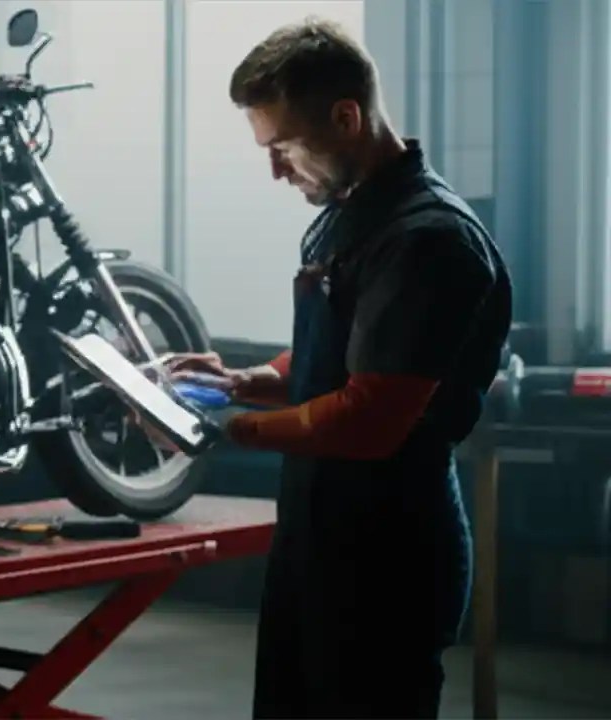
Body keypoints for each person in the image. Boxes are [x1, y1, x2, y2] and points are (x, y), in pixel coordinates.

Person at [162, 18, 513, 719]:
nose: (275, 168)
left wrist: (225, 426)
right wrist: (243, 380)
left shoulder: (430, 241)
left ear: (347, 117)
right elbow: (343, 353)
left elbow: (368, 419)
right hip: (319, 533)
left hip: (389, 554)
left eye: (284, 147)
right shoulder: (351, 214)